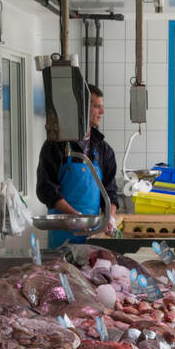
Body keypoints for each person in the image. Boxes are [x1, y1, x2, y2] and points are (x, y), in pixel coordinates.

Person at [36, 85, 118, 248]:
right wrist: (76, 218)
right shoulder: (56, 145)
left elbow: (110, 191)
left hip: (92, 235)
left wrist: (110, 216)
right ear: (81, 107)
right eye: (97, 106)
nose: (102, 112)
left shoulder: (103, 150)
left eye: (102, 107)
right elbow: (47, 190)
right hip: (62, 234)